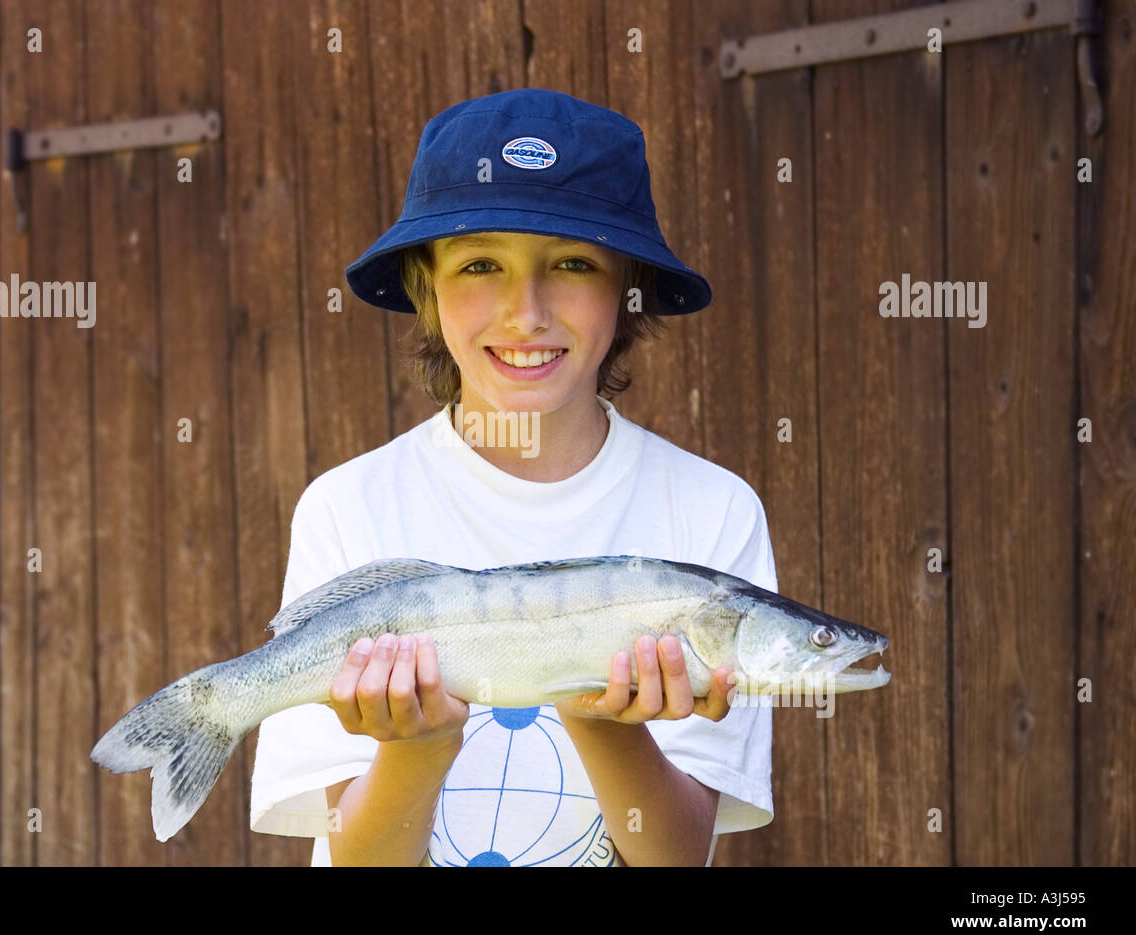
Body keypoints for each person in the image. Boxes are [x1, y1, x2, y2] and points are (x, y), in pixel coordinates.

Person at [249, 88, 778, 866]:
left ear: (627, 290)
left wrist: (602, 719)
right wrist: (415, 747)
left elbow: (674, 858)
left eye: (572, 264)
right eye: (481, 265)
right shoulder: (348, 507)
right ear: (426, 289)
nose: (525, 313)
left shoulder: (710, 511)